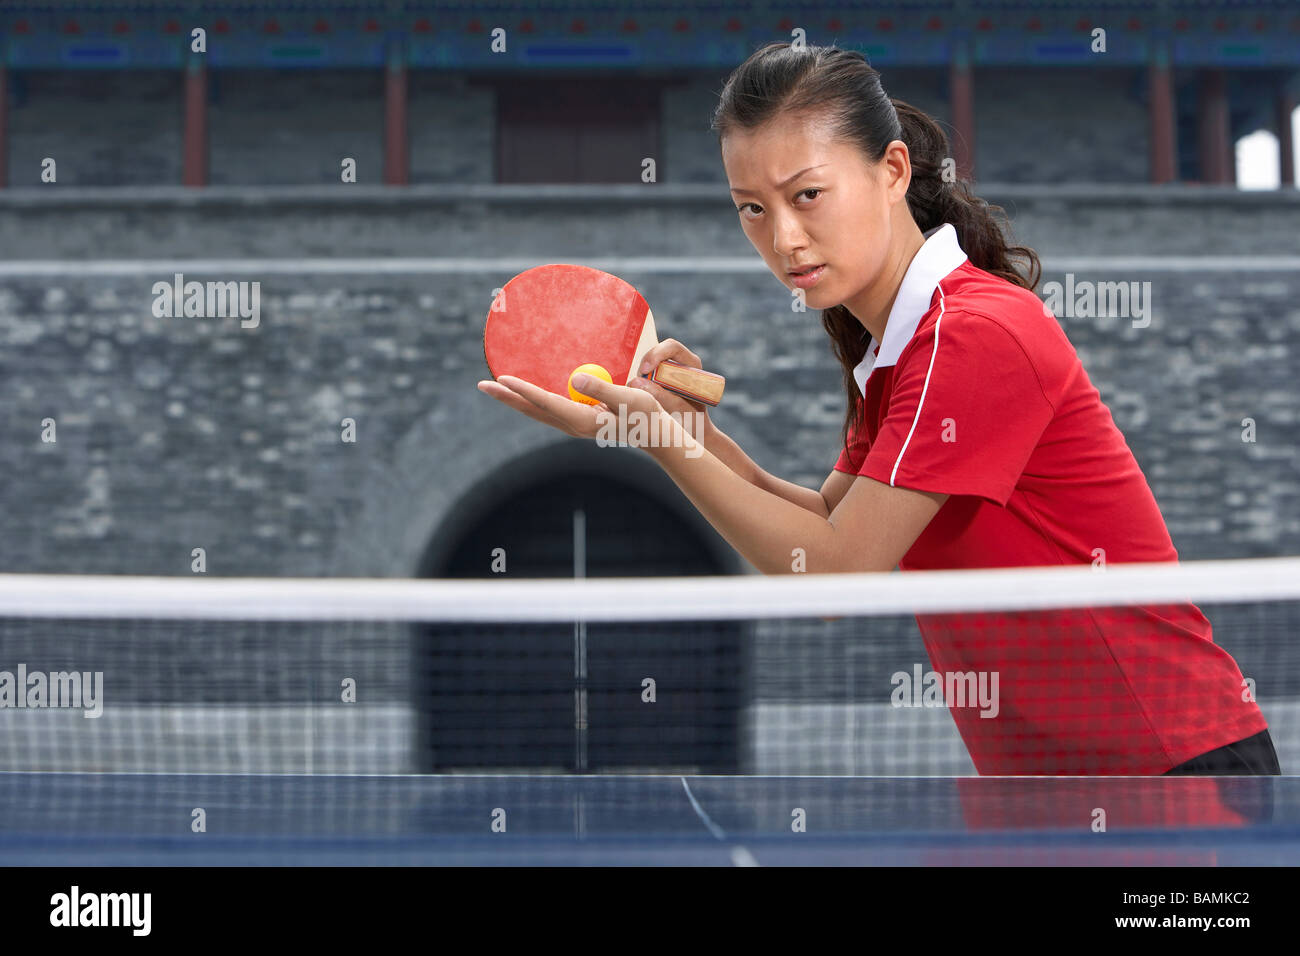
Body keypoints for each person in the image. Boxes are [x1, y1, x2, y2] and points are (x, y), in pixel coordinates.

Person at [478, 42, 1277, 776]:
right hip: (1044, 788)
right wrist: (691, 436)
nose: (784, 237)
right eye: (751, 208)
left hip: (1170, 772)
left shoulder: (971, 333)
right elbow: (829, 524)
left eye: (808, 195)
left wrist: (661, 441)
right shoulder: (893, 346)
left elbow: (831, 577)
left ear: (892, 170)